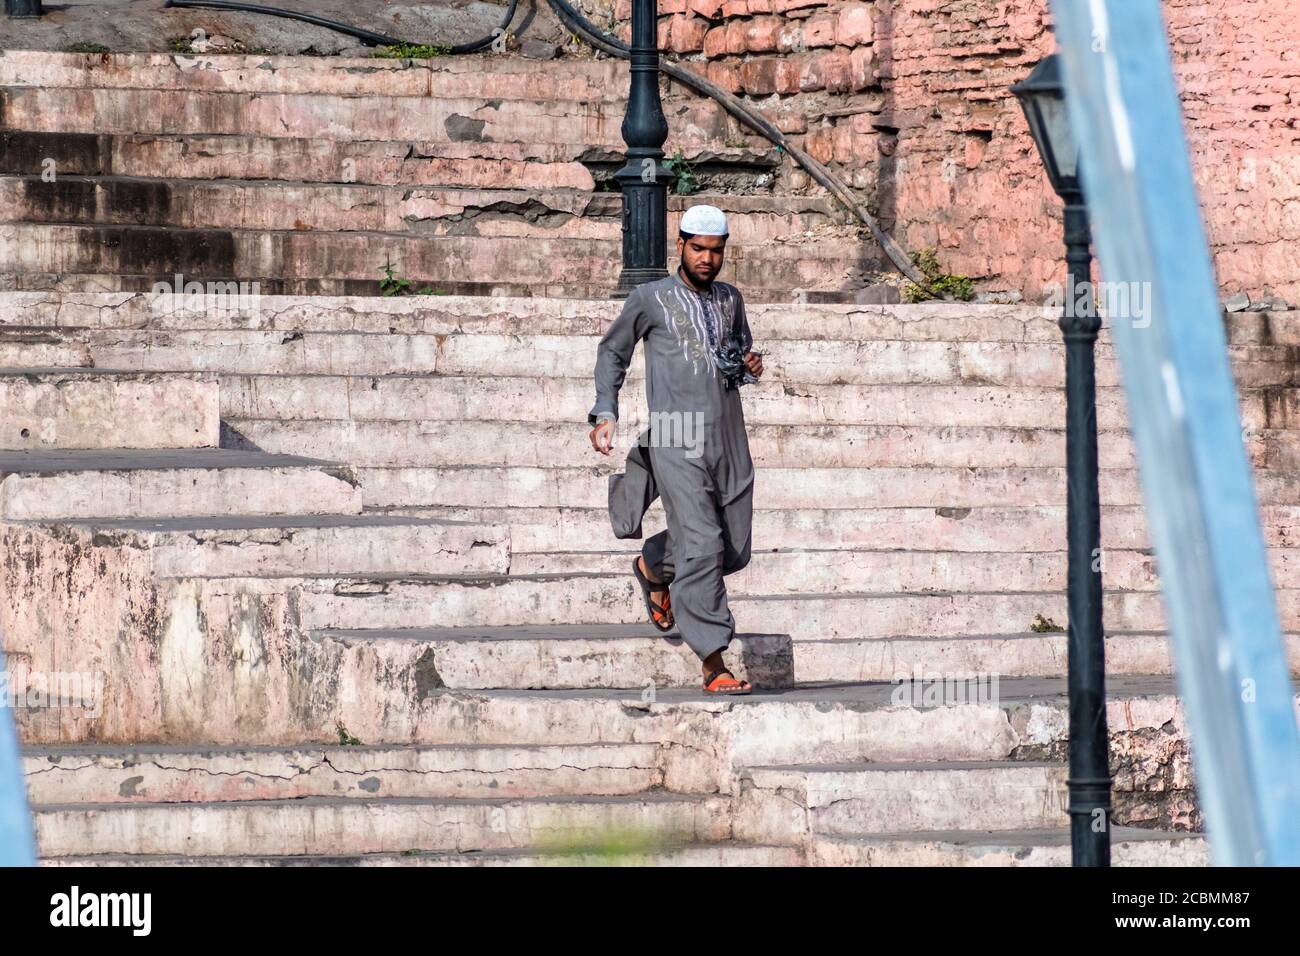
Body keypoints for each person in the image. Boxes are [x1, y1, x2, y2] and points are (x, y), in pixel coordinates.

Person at [587, 203, 764, 695]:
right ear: (680, 245)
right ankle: (714, 662)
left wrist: (750, 362)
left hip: (727, 434)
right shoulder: (650, 298)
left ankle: (653, 565)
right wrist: (605, 411)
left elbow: (736, 354)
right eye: (698, 249)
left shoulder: (731, 299)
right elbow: (613, 351)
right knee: (704, 544)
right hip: (675, 435)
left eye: (716, 251)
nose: (707, 259)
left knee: (731, 547)